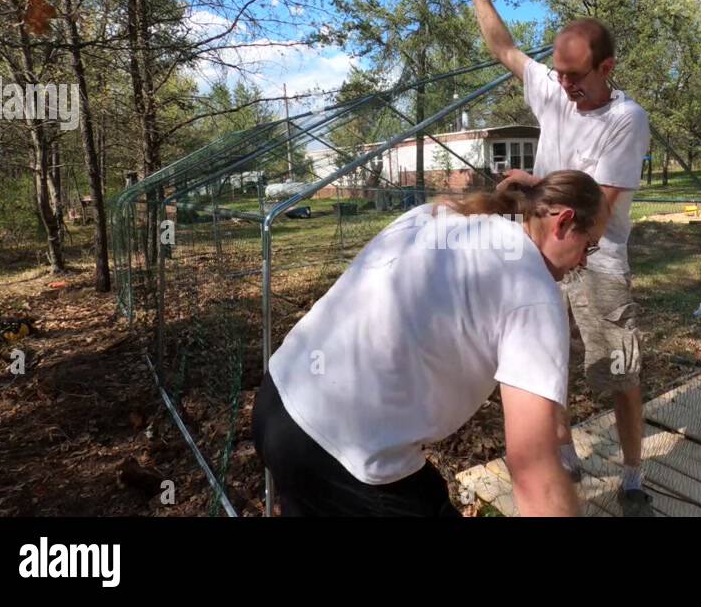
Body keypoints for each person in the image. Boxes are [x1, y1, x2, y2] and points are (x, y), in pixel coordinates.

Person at [252, 171, 608, 516]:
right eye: (588, 246)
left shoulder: (440, 215)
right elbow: (534, 474)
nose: (583, 261)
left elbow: (543, 415)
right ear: (563, 222)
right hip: (344, 454)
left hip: (278, 401)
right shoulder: (533, 292)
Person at [449, 0, 654, 516]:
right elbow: (503, 48)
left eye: (576, 75)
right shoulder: (554, 88)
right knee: (544, 361)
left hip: (596, 259)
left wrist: (531, 190)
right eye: (558, 73)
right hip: (539, 254)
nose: (562, 85)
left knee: (619, 369)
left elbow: (594, 214)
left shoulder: (625, 120)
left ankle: (633, 474)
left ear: (607, 68)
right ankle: (562, 453)